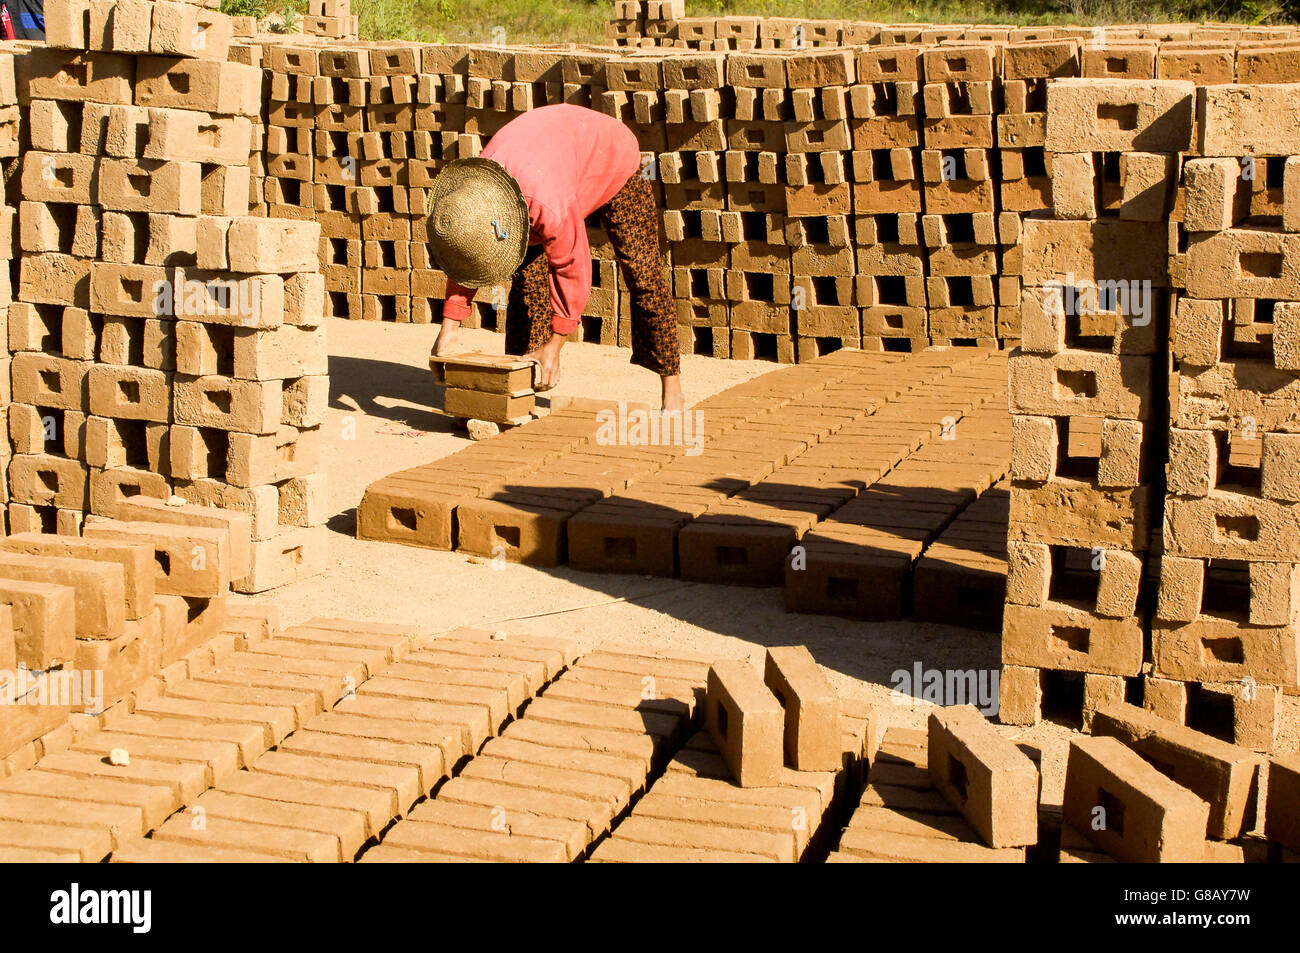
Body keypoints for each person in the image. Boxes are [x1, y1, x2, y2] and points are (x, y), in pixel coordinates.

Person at [427, 103, 684, 412]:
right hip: (552, 160)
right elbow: (468, 255)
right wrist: (449, 328)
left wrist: (556, 343)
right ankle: (517, 390)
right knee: (526, 280)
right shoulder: (475, 195)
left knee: (642, 275)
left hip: (610, 155)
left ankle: (673, 386)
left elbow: (572, 267)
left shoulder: (546, 205)